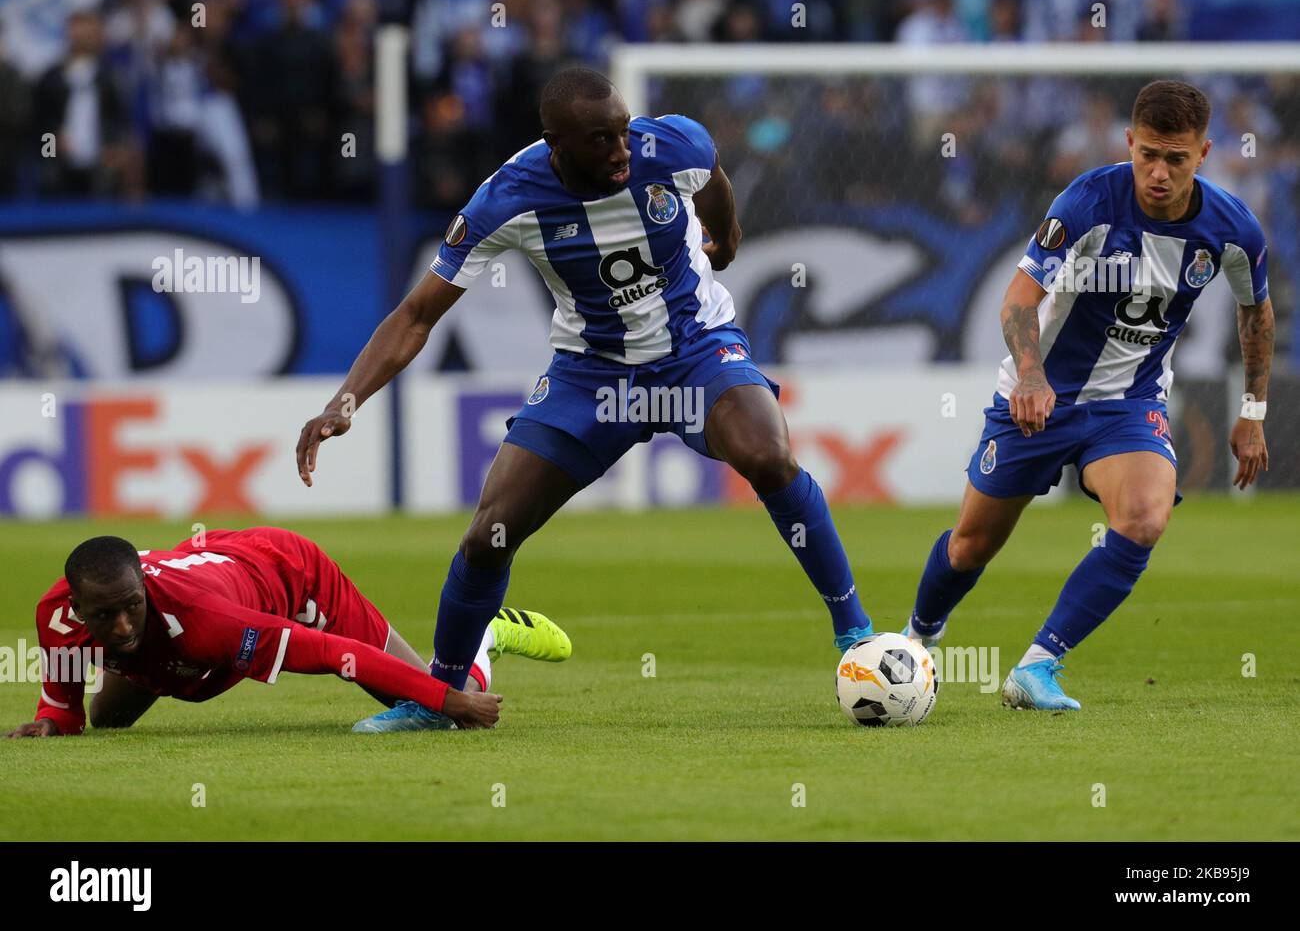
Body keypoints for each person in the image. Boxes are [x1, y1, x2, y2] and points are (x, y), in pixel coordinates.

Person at [296, 67, 874, 731]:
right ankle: (439, 698)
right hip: (591, 376)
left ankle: (854, 633)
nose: (622, 151)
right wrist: (345, 401)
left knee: (768, 456)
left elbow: (711, 177)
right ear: (556, 144)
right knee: (490, 535)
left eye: (624, 132)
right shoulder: (507, 199)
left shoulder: (670, 146)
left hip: (695, 350)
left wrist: (728, 240)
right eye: (602, 140)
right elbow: (417, 316)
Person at [902, 80, 1272, 710]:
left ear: (1204, 153)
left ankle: (1037, 667)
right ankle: (916, 643)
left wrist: (1253, 411)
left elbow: (1255, 317)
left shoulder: (1232, 231)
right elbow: (1021, 297)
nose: (1158, 173)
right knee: (972, 543)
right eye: (1147, 154)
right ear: (1129, 142)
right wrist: (1030, 373)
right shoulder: (1087, 202)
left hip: (1129, 406)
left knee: (1146, 517)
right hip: (1038, 395)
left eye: (1175, 160)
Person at [7, 527, 571, 738]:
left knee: (432, 706)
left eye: (132, 606)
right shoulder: (56, 617)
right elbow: (64, 711)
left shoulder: (213, 626)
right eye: (105, 616)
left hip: (292, 578)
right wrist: (52, 721)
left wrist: (452, 700)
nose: (122, 624)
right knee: (109, 720)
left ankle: (483, 640)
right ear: (77, 607)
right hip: (210, 572)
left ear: (144, 591)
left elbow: (331, 653)